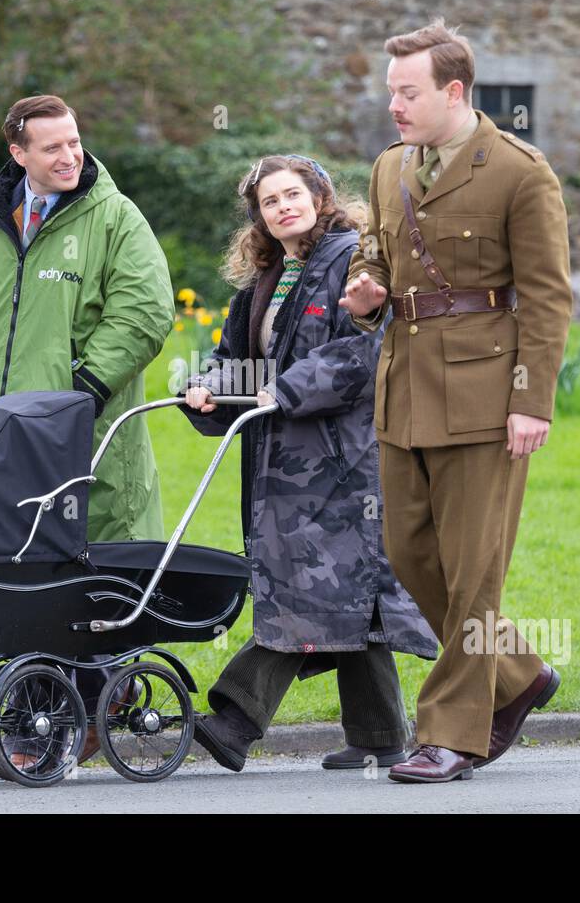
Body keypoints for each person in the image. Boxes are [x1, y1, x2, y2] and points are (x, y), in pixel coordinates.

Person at [339, 19, 572, 783]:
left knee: (475, 573)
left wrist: (531, 399)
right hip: (403, 390)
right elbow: (378, 253)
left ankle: (451, 734)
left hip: (487, 395)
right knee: (410, 556)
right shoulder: (388, 167)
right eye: (390, 92)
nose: (394, 106)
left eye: (408, 93)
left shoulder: (519, 171)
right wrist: (366, 292)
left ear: (454, 91)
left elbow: (546, 298)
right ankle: (520, 676)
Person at [0, 94, 175, 765]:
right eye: (52, 146)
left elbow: (145, 311)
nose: (70, 156)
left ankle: (89, 712)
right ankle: (31, 708)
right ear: (18, 153)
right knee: (9, 570)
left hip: (82, 436)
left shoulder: (115, 218)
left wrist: (84, 390)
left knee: (86, 573)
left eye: (75, 141)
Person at [180, 154, 438, 772]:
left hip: (345, 461)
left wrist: (288, 389)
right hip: (281, 460)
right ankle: (380, 737)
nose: (282, 208)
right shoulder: (264, 280)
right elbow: (238, 358)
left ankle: (234, 723)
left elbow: (366, 349)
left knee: (309, 583)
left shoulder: (353, 260)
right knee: (348, 591)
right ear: (260, 219)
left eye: (292, 195)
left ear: (321, 197)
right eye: (269, 203)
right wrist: (211, 385)